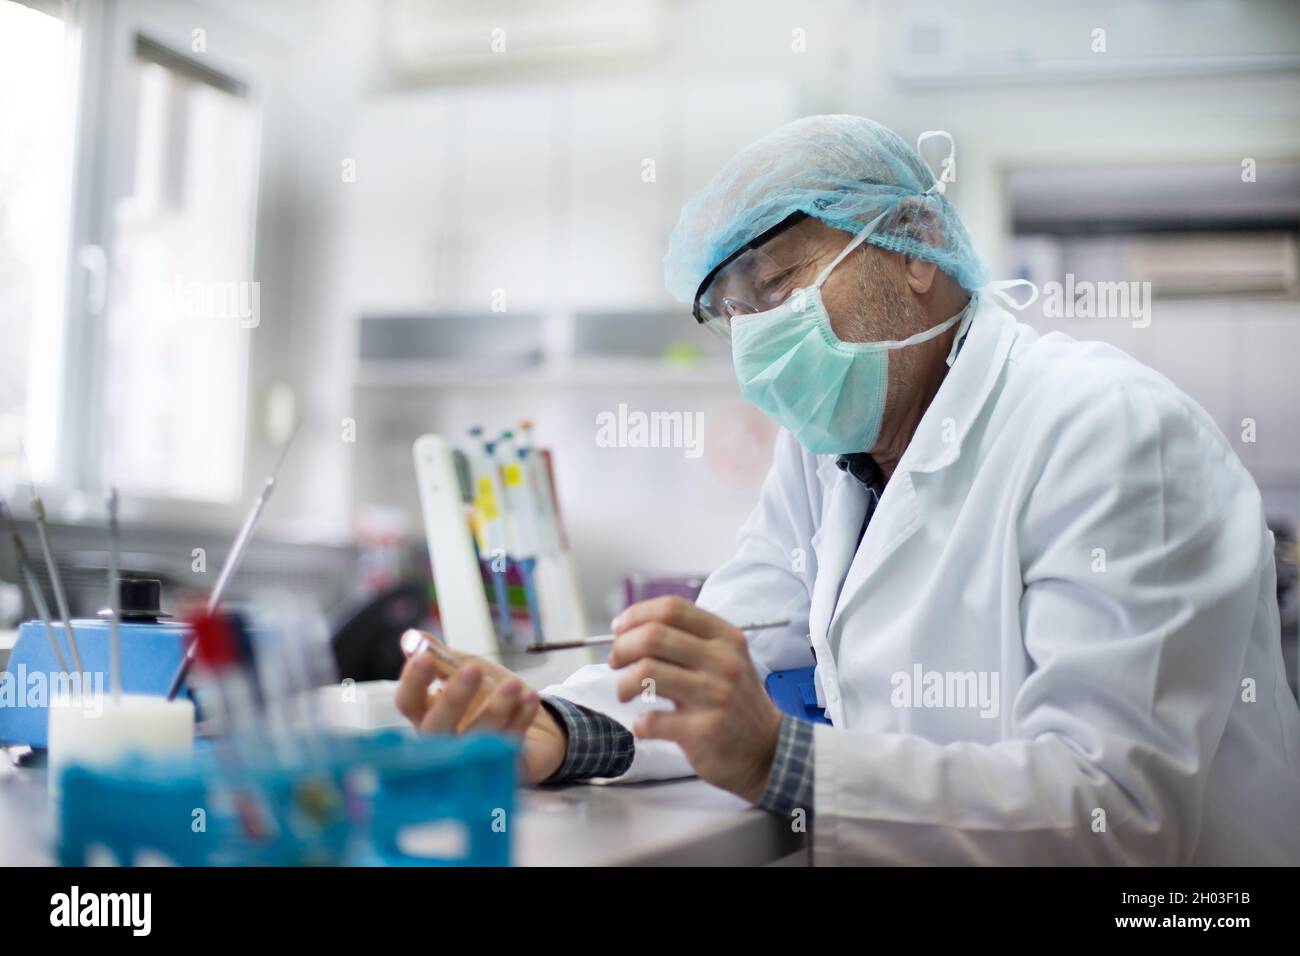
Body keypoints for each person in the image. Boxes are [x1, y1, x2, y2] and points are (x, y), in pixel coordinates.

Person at [396, 115, 1300, 865]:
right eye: (733, 312)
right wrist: (557, 727)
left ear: (915, 247)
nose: (754, 336)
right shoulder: (825, 454)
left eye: (777, 283)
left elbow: (1117, 815)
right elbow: (718, 660)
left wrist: (783, 762)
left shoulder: (1110, 429)